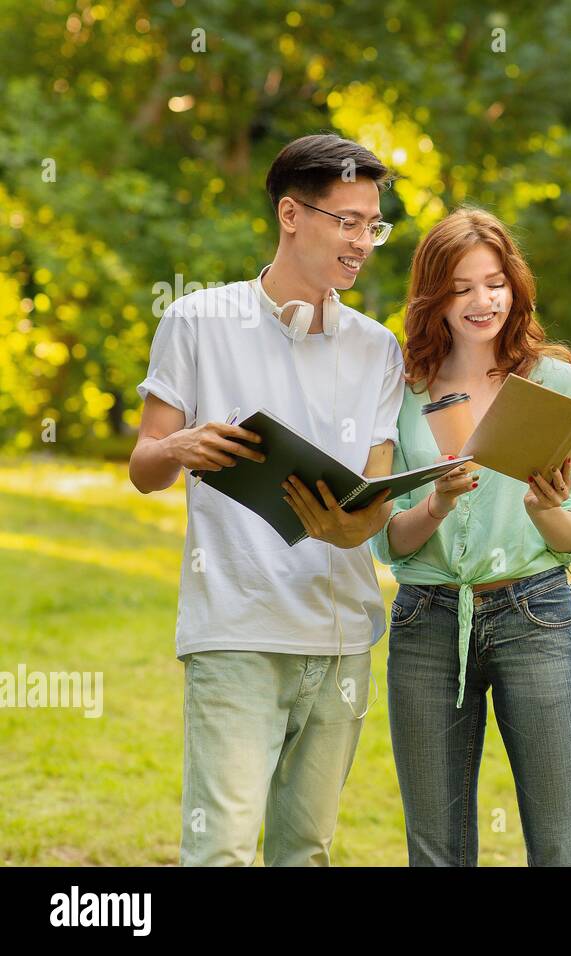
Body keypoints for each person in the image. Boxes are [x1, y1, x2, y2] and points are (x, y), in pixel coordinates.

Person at [128, 134, 403, 865]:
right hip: (238, 630)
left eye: (372, 225)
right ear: (291, 214)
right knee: (220, 850)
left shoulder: (380, 348)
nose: (363, 242)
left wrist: (355, 527)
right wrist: (180, 448)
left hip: (343, 641)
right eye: (347, 220)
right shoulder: (196, 321)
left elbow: (374, 496)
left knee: (304, 851)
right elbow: (143, 466)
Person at [370, 207, 571, 866]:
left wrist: (542, 506)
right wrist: (437, 503)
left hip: (537, 616)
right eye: (462, 287)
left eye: (495, 282)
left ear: (514, 286)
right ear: (434, 297)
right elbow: (389, 541)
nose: (482, 301)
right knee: (435, 850)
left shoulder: (556, 383)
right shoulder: (403, 390)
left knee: (560, 844)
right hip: (429, 624)